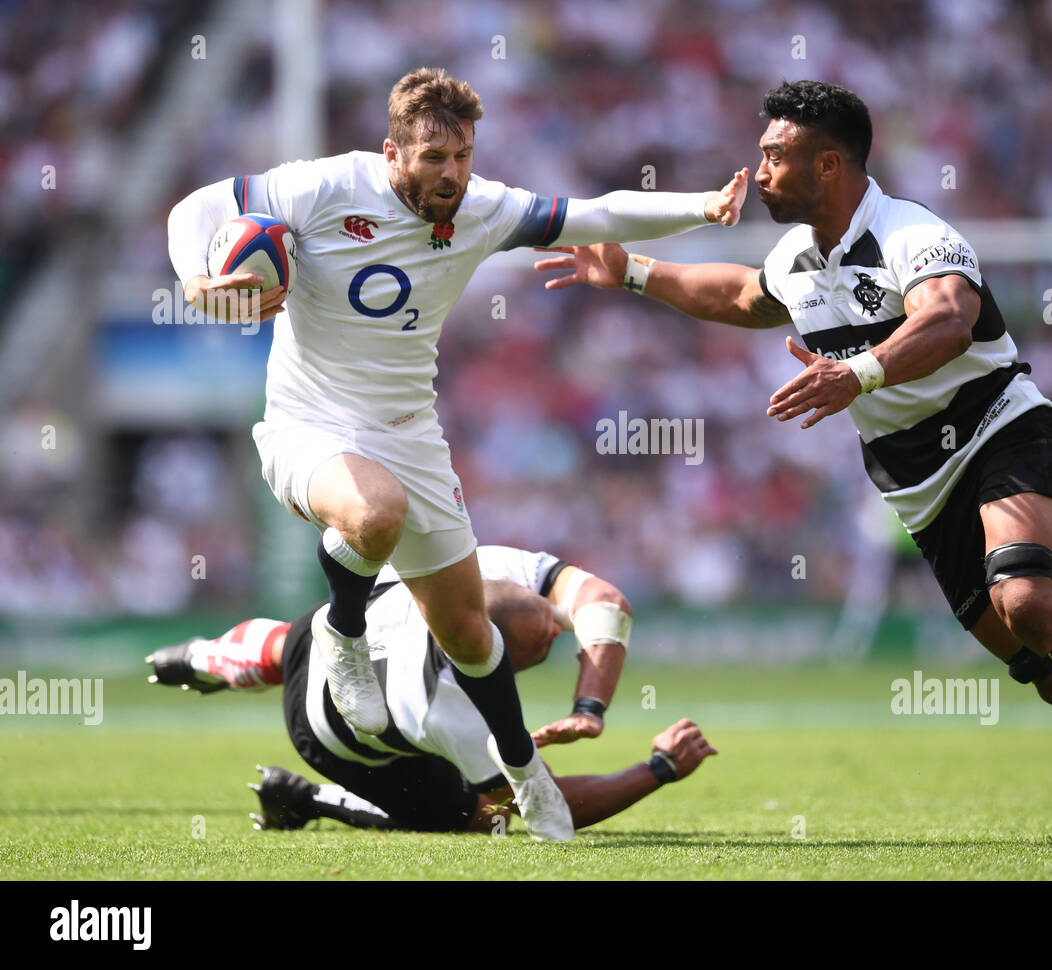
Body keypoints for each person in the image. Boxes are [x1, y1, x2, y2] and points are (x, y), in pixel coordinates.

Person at [533, 79, 1052, 844]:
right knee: (1050, 668)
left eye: (774, 155)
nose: (757, 170)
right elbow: (738, 296)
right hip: (916, 484)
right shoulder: (798, 257)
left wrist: (856, 372)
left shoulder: (912, 234)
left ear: (829, 165)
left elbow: (949, 320)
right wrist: (629, 271)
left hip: (999, 430)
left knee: (1027, 602)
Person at [166, 67, 745, 840]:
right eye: (435, 156)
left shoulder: (482, 209)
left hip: (410, 434)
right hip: (307, 426)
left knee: (472, 633)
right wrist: (200, 281)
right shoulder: (329, 187)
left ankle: (525, 774)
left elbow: (596, 211)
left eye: (464, 155)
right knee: (374, 514)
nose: (452, 173)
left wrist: (701, 207)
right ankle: (342, 635)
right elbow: (195, 208)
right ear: (392, 151)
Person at [147, 545, 718, 834]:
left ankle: (204, 656)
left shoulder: (471, 564)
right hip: (325, 733)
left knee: (290, 642)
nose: (557, 623)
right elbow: (540, 804)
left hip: (318, 638)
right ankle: (314, 800)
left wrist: (589, 707)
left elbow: (604, 604)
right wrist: (658, 770)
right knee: (473, 818)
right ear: (497, 659)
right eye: (545, 641)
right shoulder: (456, 711)